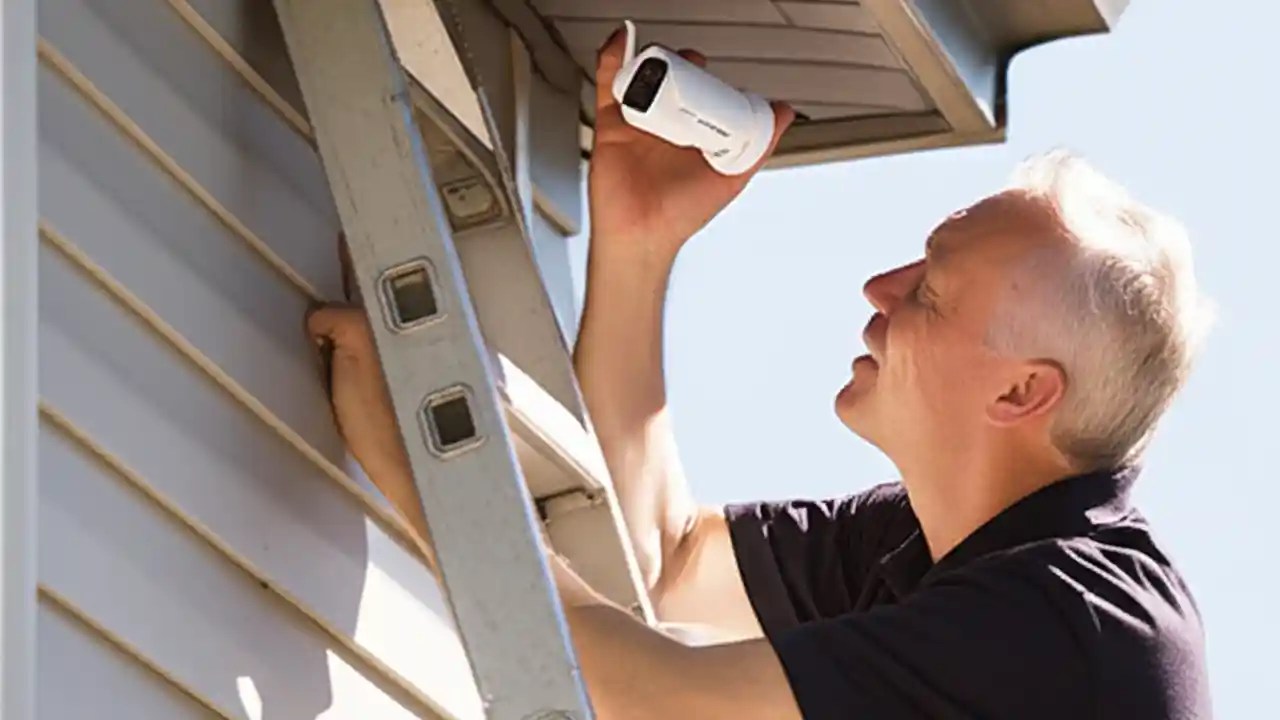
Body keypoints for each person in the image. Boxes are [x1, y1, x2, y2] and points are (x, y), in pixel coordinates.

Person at [306, 30, 1213, 720]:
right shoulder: (940, 550)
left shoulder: (1070, 622)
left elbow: (653, 700)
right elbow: (658, 562)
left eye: (930, 292)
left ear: (1021, 393)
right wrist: (637, 245)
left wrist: (419, 464)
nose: (879, 288)